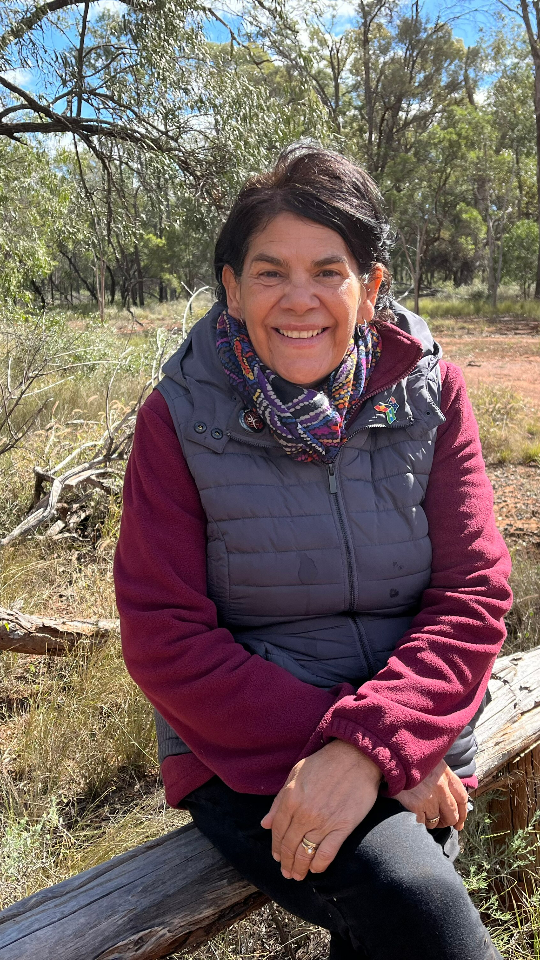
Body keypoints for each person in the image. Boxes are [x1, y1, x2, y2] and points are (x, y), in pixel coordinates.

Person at [114, 145, 512, 960]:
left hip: (418, 727)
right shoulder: (177, 420)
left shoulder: (434, 396)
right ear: (231, 288)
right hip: (245, 742)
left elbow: (473, 594)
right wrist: (356, 751)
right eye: (269, 273)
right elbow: (163, 637)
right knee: (418, 907)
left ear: (370, 289)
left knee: (395, 922)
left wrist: (377, 743)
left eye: (328, 270)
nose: (300, 301)